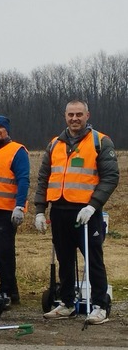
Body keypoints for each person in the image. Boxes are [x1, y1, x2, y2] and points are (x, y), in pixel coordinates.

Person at [35, 100, 119, 324]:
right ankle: (67, 303)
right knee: (64, 258)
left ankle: (101, 305)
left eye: (79, 114)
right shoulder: (55, 144)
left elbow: (110, 177)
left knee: (93, 259)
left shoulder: (100, 142)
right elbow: (44, 178)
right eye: (71, 114)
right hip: (59, 210)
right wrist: (40, 210)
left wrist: (92, 206)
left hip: (87, 213)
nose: (74, 118)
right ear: (65, 116)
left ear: (87, 115)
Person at [0, 116, 30, 305]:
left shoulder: (17, 151)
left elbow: (23, 179)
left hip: (7, 211)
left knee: (5, 251)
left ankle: (7, 289)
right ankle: (12, 289)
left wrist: (19, 206)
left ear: (7, 130)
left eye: (0, 127)